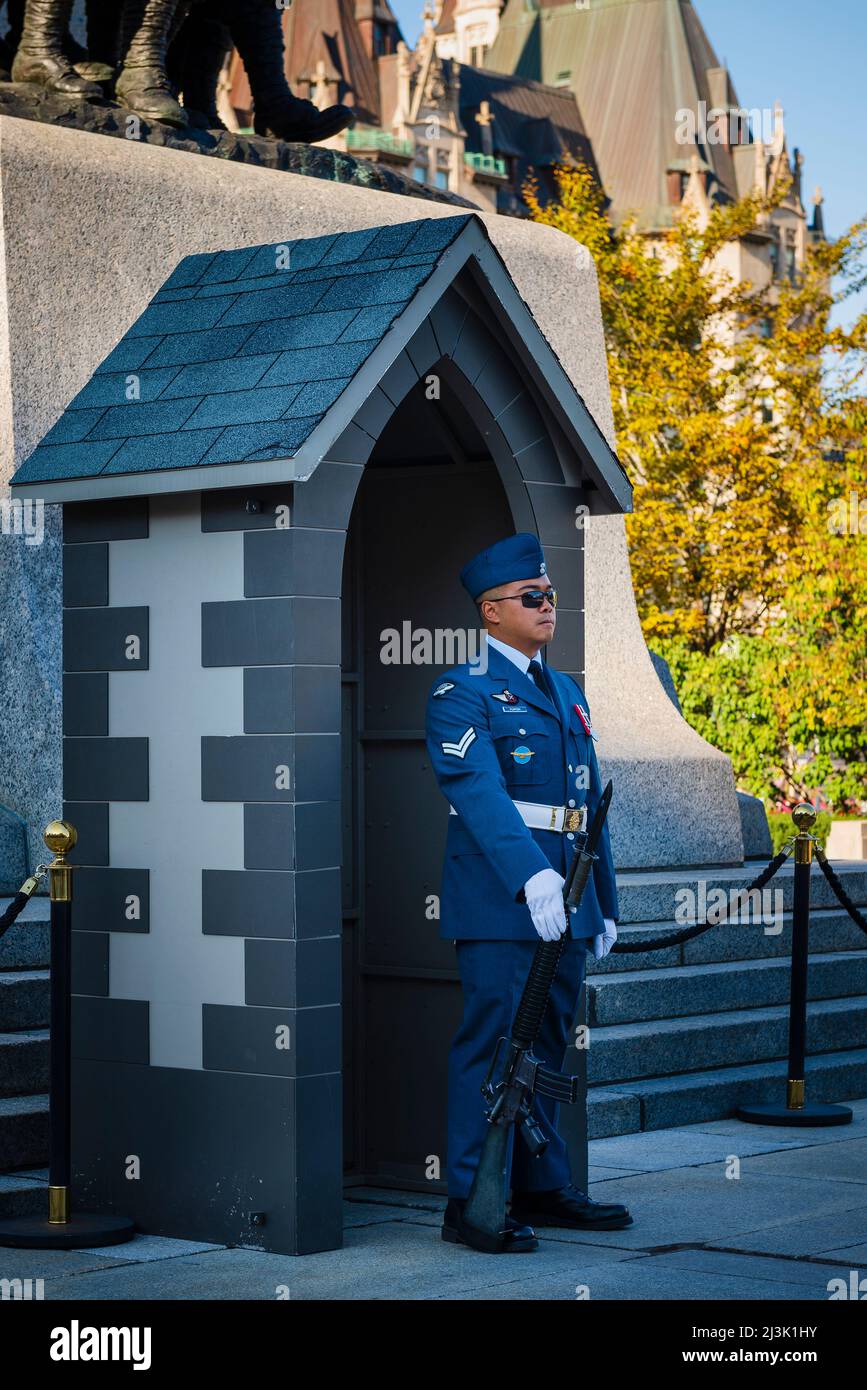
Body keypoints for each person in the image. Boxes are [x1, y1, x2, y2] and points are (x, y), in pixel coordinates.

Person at [425, 532, 633, 1253]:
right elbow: (475, 790)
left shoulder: (564, 690)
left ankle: (543, 1186)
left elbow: (586, 802)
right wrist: (530, 873)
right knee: (492, 1049)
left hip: (568, 894)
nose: (547, 607)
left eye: (549, 595)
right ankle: (468, 1202)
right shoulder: (461, 693)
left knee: (546, 1047)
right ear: (490, 611)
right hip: (501, 898)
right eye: (531, 597)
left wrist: (602, 897)